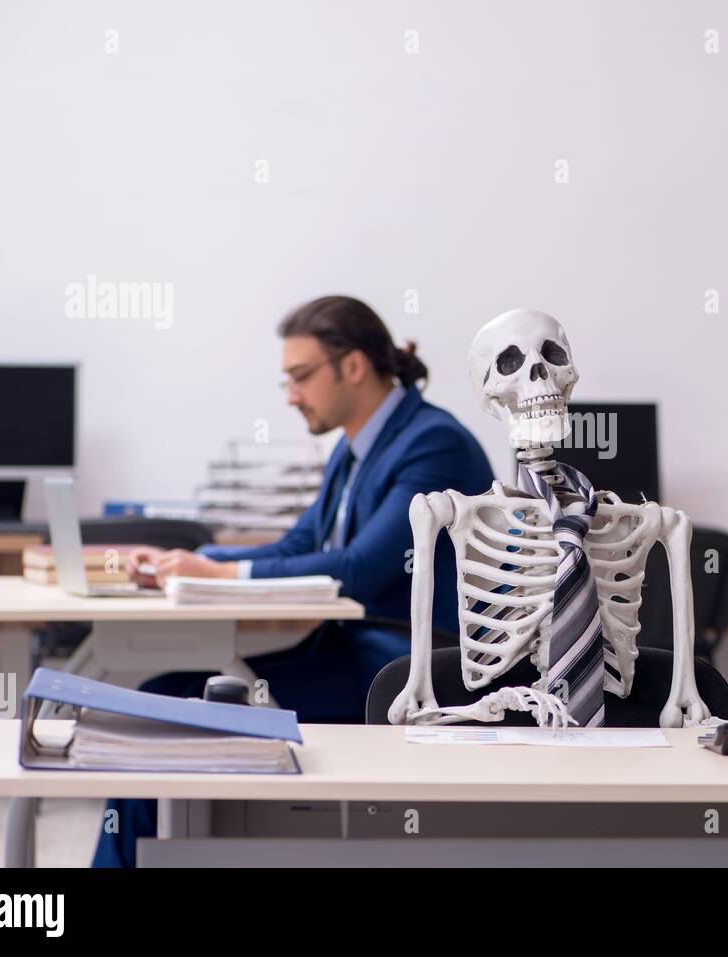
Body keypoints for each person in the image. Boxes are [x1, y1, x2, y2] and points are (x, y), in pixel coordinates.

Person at [92, 295, 494, 866]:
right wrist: (189, 559)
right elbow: (299, 545)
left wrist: (218, 572)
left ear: (352, 366)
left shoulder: (432, 443)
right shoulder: (355, 449)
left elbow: (358, 569)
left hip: (403, 673)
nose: (290, 396)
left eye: (301, 377)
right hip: (353, 655)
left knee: (166, 707)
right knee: (161, 703)